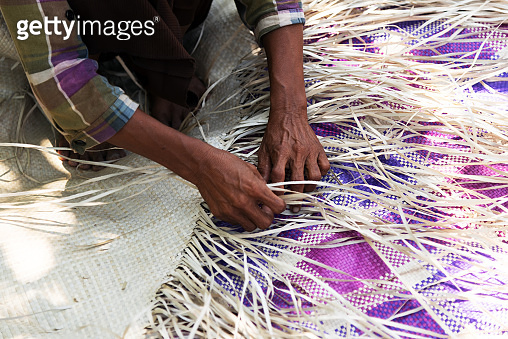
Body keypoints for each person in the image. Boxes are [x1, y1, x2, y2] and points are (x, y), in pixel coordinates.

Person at [0, 0, 330, 231]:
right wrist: (200, 166)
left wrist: (291, 111)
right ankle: (113, 68)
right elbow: (60, 76)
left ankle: (164, 55)